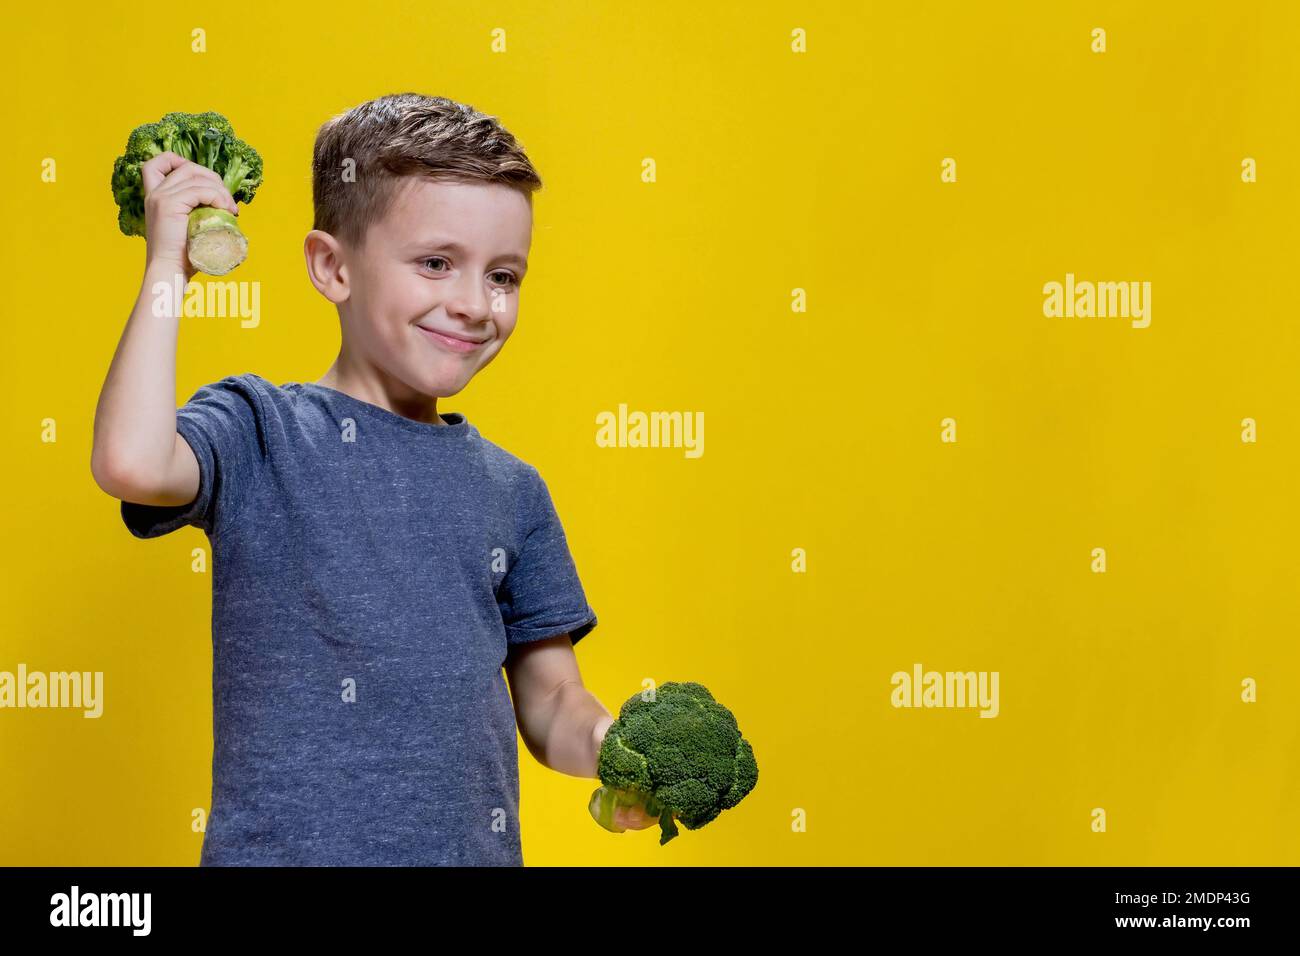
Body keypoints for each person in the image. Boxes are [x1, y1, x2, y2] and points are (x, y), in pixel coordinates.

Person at [90, 93, 656, 865]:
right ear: (332, 267)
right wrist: (167, 268)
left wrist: (614, 747)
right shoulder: (261, 431)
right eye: (434, 264)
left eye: (503, 276)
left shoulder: (512, 490)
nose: (472, 305)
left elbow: (552, 699)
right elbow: (132, 462)